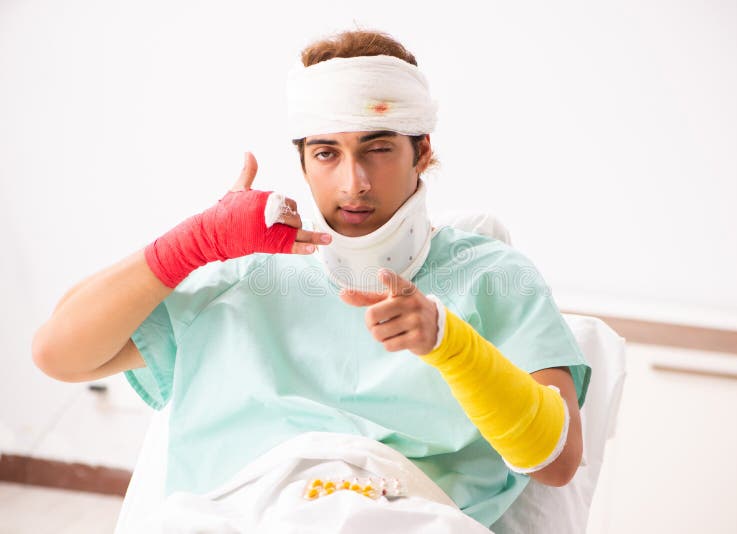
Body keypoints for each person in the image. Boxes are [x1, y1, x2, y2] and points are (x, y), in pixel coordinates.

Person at [32, 29, 591, 530]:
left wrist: (450, 343)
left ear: (421, 151)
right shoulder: (246, 272)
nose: (355, 182)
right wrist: (193, 243)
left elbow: (558, 462)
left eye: (378, 148)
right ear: (302, 162)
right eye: (328, 153)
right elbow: (59, 354)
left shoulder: (492, 277)